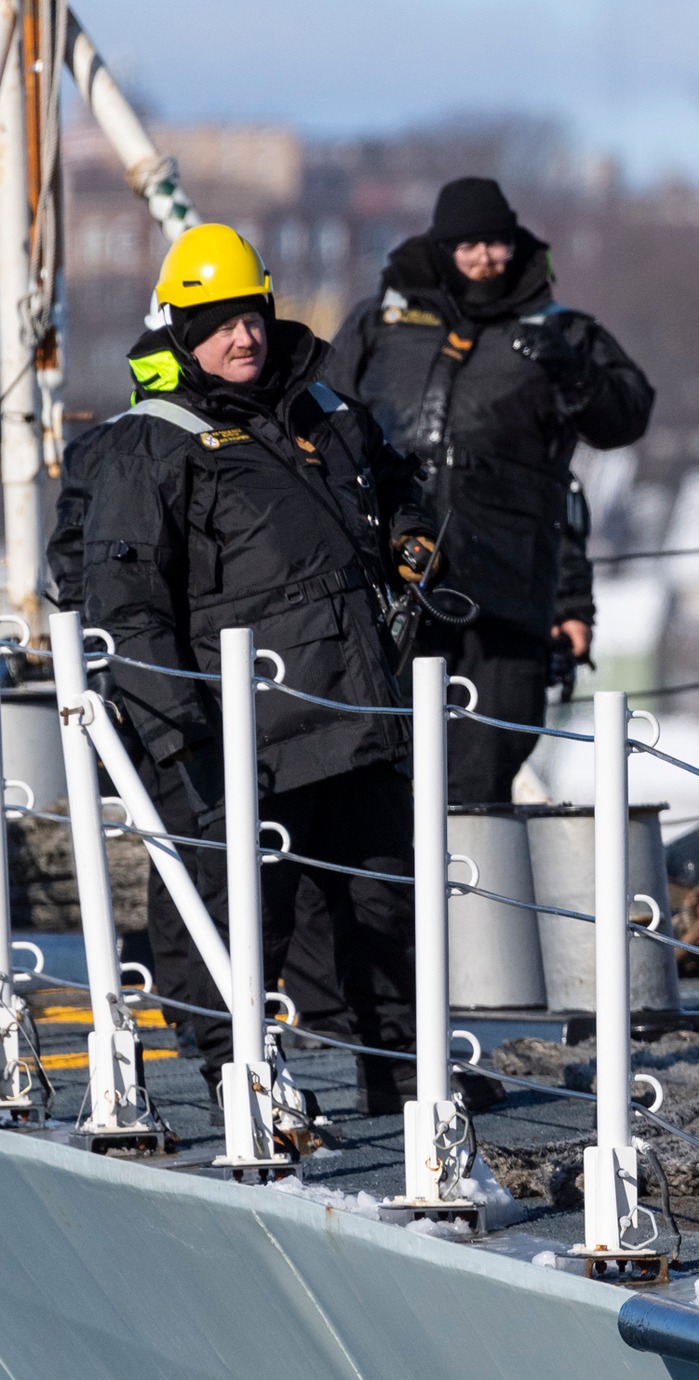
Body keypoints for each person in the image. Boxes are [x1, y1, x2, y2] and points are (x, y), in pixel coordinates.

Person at [63, 223, 431, 1113]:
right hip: (242, 738)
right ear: (184, 334)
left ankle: (408, 1084)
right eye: (220, 323)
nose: (245, 337)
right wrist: (177, 740)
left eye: (253, 317)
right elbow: (128, 610)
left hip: (357, 717)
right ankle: (241, 1084)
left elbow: (397, 483)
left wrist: (413, 535)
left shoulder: (325, 412)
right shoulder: (148, 446)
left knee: (384, 905)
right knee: (237, 919)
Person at [326, 177, 654, 801]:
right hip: (392, 588)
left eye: (497, 244)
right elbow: (320, 427)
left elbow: (623, 422)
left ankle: (473, 891)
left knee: (481, 768)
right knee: (379, 774)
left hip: (507, 592)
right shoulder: (379, 327)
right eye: (469, 245)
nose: (484, 258)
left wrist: (573, 370)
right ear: (442, 247)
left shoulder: (563, 333)